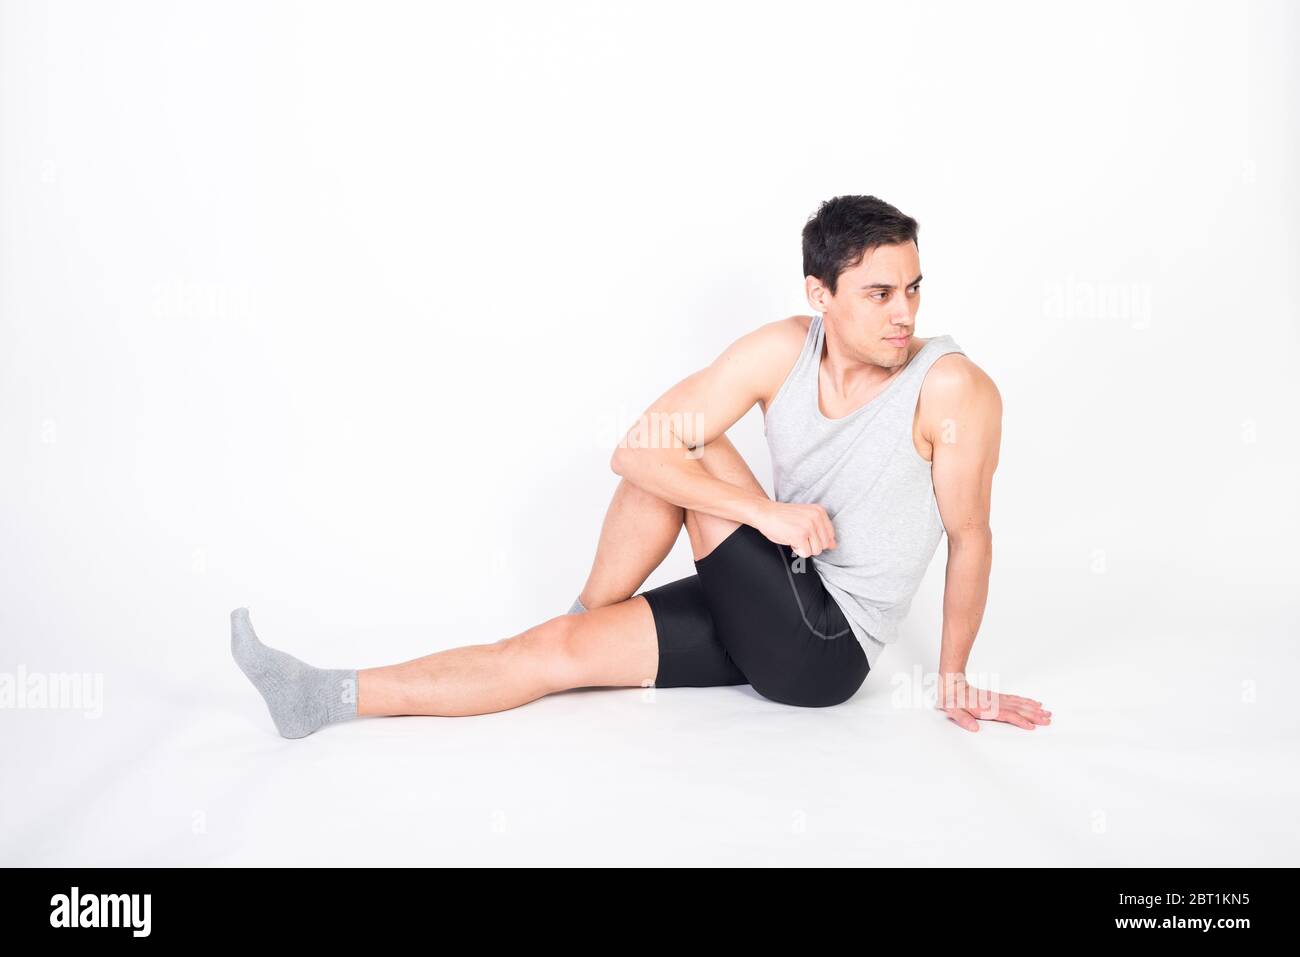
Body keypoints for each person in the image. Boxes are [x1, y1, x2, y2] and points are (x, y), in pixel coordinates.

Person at [230, 194, 1051, 737]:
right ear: (819, 294)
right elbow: (634, 449)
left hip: (825, 648)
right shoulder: (778, 352)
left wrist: (954, 679)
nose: (904, 313)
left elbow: (970, 535)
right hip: (770, 584)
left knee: (689, 449)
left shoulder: (952, 388)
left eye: (913, 288)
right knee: (555, 648)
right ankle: (323, 696)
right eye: (879, 293)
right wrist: (766, 515)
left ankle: (592, 608)